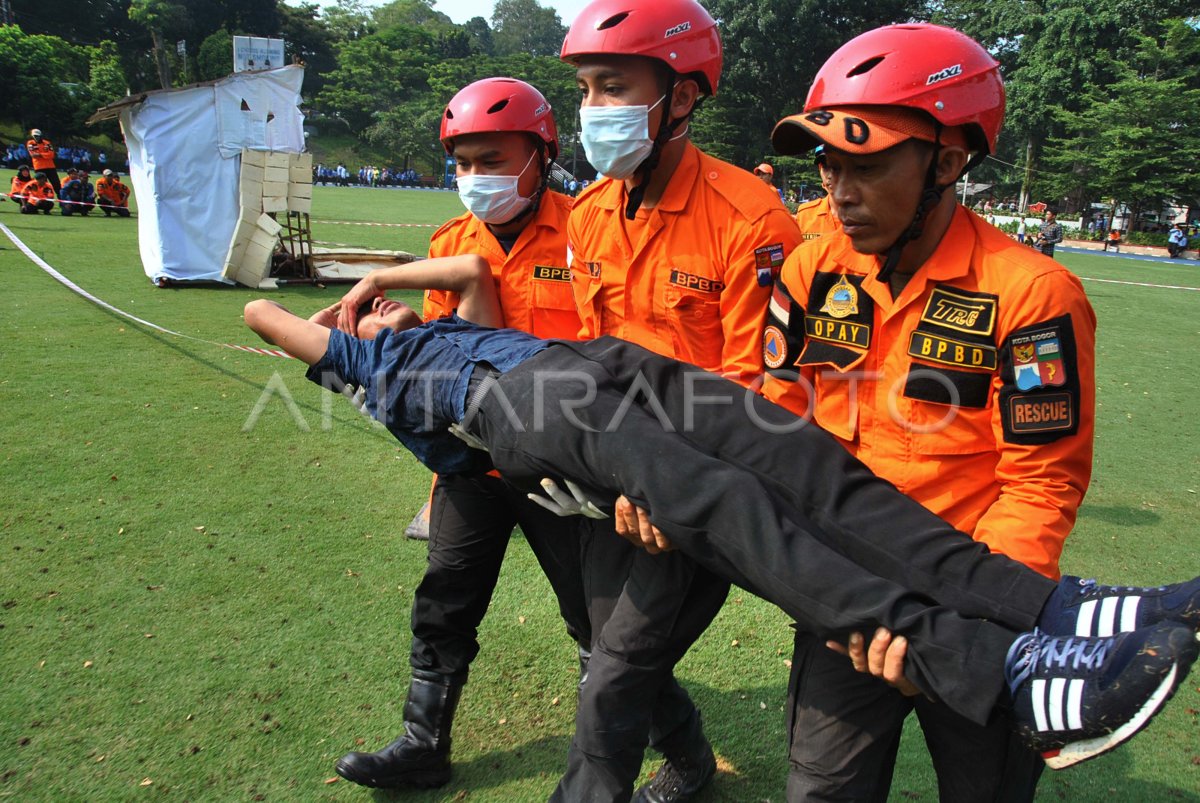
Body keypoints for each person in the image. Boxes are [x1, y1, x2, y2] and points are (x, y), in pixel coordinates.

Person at [241, 264, 1200, 782]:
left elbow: (467, 270)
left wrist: (396, 291)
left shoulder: (445, 319)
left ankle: (1050, 605)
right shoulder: (384, 373)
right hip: (527, 412)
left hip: (596, 363)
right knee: (719, 503)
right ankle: (992, 667)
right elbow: (260, 314)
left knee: (801, 455)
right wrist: (349, 321)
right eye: (363, 324)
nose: (379, 318)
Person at [764, 23, 1098, 802]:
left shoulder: (1030, 295)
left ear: (948, 161)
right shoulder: (812, 269)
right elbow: (777, 419)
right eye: (827, 165)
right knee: (820, 790)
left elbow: (1040, 485)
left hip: (974, 615)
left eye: (869, 164)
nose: (839, 193)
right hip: (842, 602)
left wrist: (953, 624)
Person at [560, 0, 801, 797]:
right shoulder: (590, 214)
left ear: (684, 97)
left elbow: (753, 393)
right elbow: (592, 358)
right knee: (600, 646)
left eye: (615, 87)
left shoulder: (751, 220)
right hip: (609, 480)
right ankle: (693, 758)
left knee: (617, 670)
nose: (595, 110)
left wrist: (661, 483)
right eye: (587, 90)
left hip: (694, 489)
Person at [329, 78, 594, 792]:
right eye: (464, 162)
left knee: (594, 616)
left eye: (494, 158)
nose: (476, 177)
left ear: (543, 154)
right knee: (446, 593)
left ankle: (642, 744)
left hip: (558, 462)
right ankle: (422, 741)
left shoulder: (589, 230)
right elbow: (440, 352)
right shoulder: (449, 243)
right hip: (472, 462)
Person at [792, 147, 841, 243]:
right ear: (820, 169)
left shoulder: (871, 216)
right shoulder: (805, 215)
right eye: (825, 167)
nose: (830, 175)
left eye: (836, 167)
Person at [26, 128, 60, 194]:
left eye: (37, 136)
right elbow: (33, 155)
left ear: (41, 135)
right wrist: (45, 154)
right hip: (39, 167)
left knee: (57, 184)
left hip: (50, 166)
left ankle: (62, 202)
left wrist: (39, 154)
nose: (36, 137)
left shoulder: (47, 143)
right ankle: (44, 201)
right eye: (34, 136)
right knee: (43, 186)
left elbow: (51, 155)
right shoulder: (30, 143)